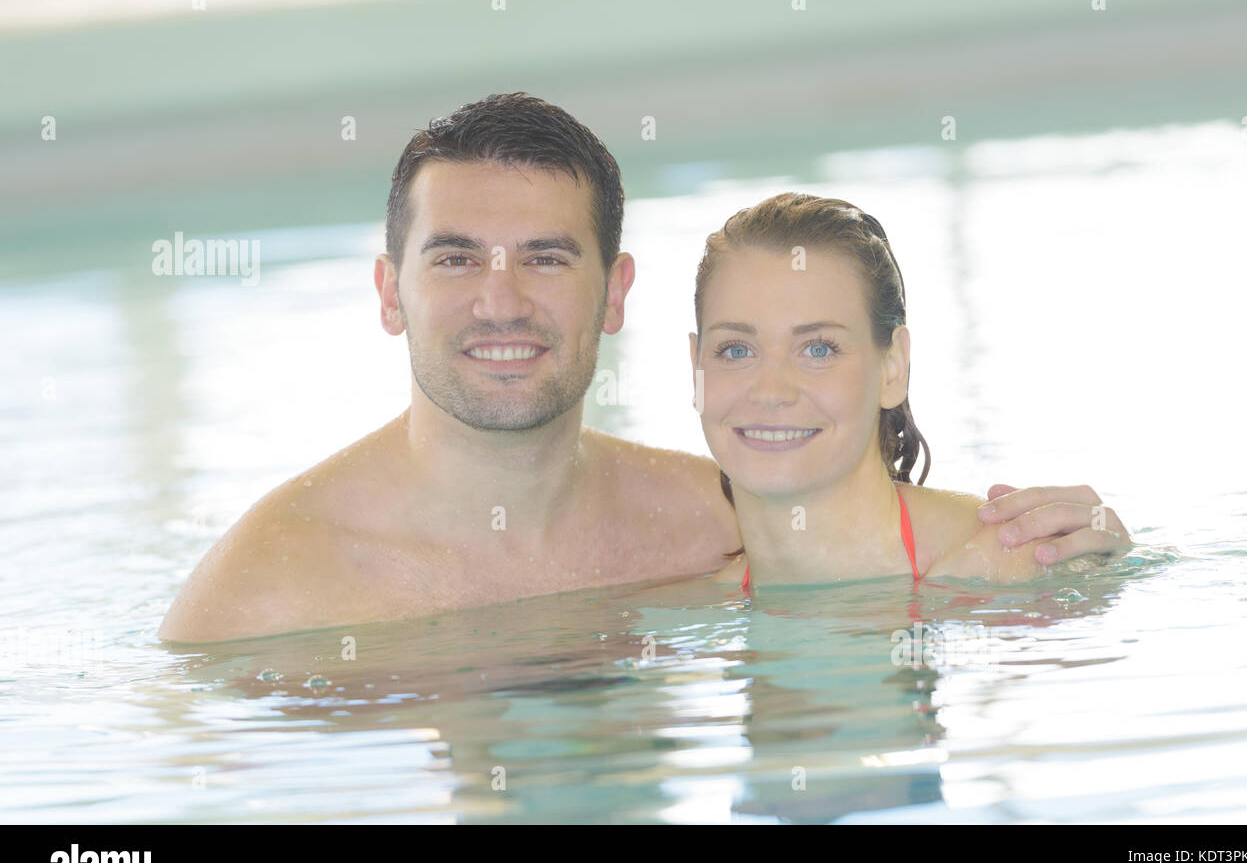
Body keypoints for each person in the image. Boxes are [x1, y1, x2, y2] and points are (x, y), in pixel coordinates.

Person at [158, 93, 1127, 643]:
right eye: (455, 258)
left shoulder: (721, 515)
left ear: (616, 292)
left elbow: (915, 554)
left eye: (546, 256)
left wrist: (1078, 545)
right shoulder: (267, 595)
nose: (501, 300)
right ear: (387, 292)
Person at [689, 192, 1130, 592]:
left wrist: (1106, 569)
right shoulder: (704, 605)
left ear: (892, 368)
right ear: (696, 368)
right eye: (736, 350)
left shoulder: (1010, 566)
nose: (771, 391)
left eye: (818, 348)